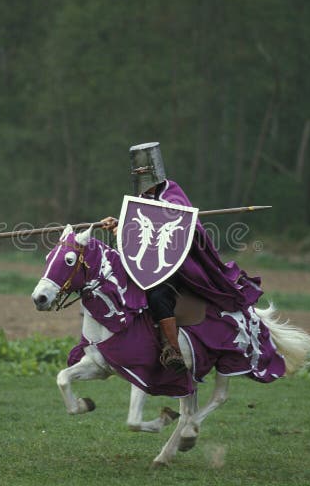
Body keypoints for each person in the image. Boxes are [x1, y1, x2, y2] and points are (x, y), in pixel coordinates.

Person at [101, 142, 264, 373]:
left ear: (155, 171)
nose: (142, 180)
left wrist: (150, 221)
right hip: (147, 264)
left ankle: (173, 350)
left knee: (158, 295)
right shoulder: (140, 198)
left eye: (144, 173)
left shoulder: (173, 195)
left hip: (176, 265)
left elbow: (183, 231)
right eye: (138, 174)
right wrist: (119, 225)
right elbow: (140, 231)